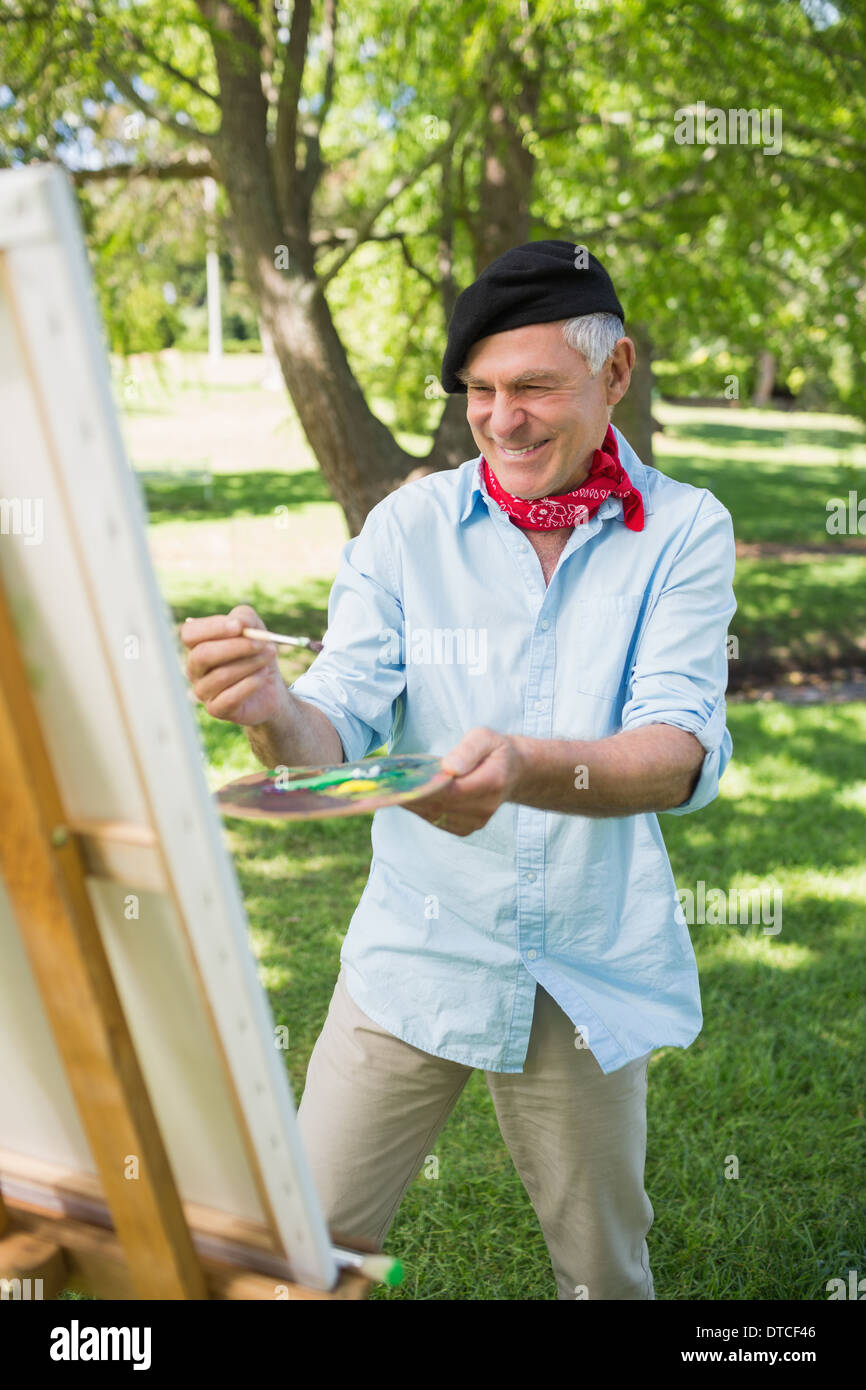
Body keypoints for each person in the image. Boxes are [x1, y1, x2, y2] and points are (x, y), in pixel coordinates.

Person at [182, 240, 736, 1300]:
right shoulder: (407, 527)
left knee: (603, 1271)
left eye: (532, 386)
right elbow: (329, 731)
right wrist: (269, 710)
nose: (500, 418)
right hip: (413, 957)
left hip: (583, 961)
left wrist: (523, 763)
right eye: (479, 391)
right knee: (305, 1253)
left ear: (614, 372)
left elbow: (674, 752)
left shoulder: (681, 531)